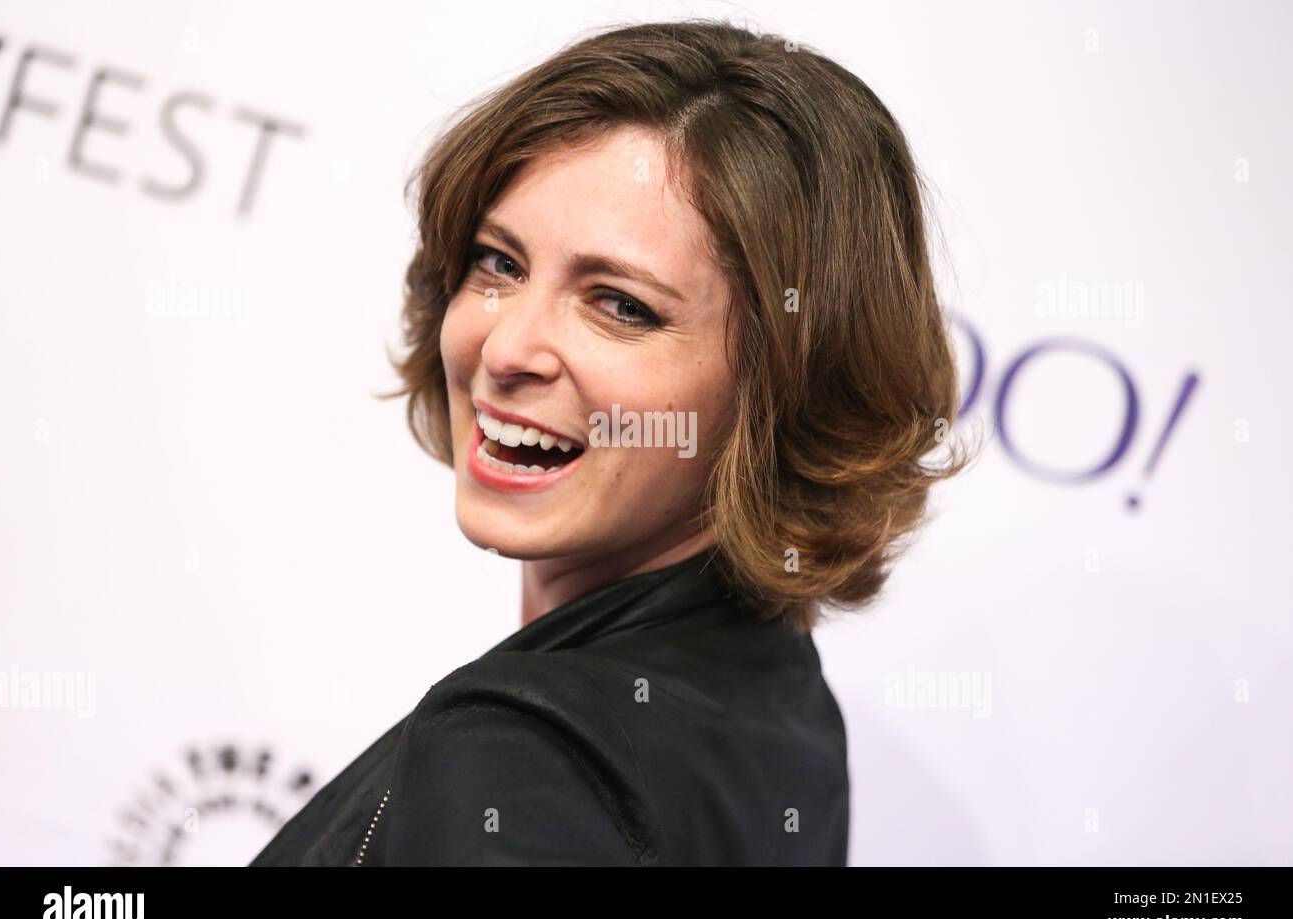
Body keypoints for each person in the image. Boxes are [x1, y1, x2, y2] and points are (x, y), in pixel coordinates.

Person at [250, 18, 970, 867]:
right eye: (498, 263)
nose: (508, 349)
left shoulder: (513, 755)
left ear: (780, 393)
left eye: (621, 305)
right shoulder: (782, 701)